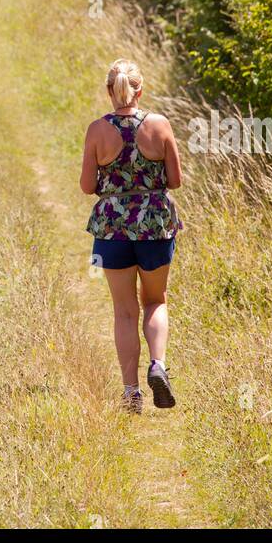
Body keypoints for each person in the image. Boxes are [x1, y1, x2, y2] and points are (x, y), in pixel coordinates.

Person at [80, 59, 182, 414]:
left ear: (110, 90)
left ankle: (131, 394)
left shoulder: (97, 130)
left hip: (112, 229)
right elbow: (175, 180)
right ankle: (158, 365)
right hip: (155, 224)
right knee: (155, 301)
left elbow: (86, 186)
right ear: (141, 89)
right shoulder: (159, 125)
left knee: (124, 311)